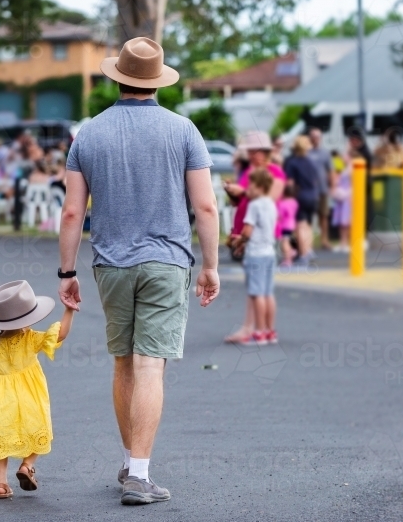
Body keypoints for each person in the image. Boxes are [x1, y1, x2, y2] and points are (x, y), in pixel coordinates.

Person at [56, 36, 220, 505]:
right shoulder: (184, 130)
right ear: (157, 82)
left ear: (117, 77)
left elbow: (72, 212)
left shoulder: (88, 133)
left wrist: (66, 273)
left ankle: (131, 461)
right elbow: (205, 207)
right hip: (167, 262)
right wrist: (210, 266)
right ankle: (141, 475)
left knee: (124, 362)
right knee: (151, 365)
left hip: (111, 264)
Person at [0, 281, 74, 497]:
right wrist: (69, 310)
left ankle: (0, 484)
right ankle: (27, 466)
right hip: (30, 394)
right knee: (38, 428)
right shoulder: (30, 338)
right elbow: (59, 335)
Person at [222, 131, 285, 343]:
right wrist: (234, 192)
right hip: (250, 235)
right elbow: (239, 203)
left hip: (258, 238)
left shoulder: (273, 173)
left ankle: (255, 328)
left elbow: (269, 198)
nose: (251, 155)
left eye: (254, 151)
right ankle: (260, 328)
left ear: (264, 152)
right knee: (258, 288)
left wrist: (243, 190)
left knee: (257, 289)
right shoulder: (249, 171)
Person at [231, 169, 278, 345]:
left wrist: (238, 240)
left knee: (256, 293)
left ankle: (258, 332)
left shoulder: (254, 205)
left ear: (259, 186)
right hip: (269, 252)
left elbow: (248, 231)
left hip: (256, 254)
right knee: (267, 293)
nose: (248, 188)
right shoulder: (271, 204)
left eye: (250, 184)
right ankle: (270, 330)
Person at [283, 135, 321, 264]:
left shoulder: (292, 163)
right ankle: (309, 250)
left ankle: (303, 253)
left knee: (300, 226)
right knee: (309, 225)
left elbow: (290, 183)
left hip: (301, 195)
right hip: (313, 195)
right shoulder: (311, 162)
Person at [306, 128, 333, 250]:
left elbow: (330, 171)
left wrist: (332, 186)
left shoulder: (325, 153)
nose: (315, 139)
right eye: (313, 136)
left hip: (322, 189)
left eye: (317, 136)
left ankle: (324, 240)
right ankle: (308, 242)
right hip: (308, 189)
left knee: (323, 216)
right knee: (308, 217)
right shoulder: (305, 152)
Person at [278, 183, 298, 266]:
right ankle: (292, 252)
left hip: (285, 225)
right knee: (288, 240)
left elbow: (280, 215)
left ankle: (288, 259)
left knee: (284, 242)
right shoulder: (294, 202)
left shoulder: (283, 204)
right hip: (292, 224)